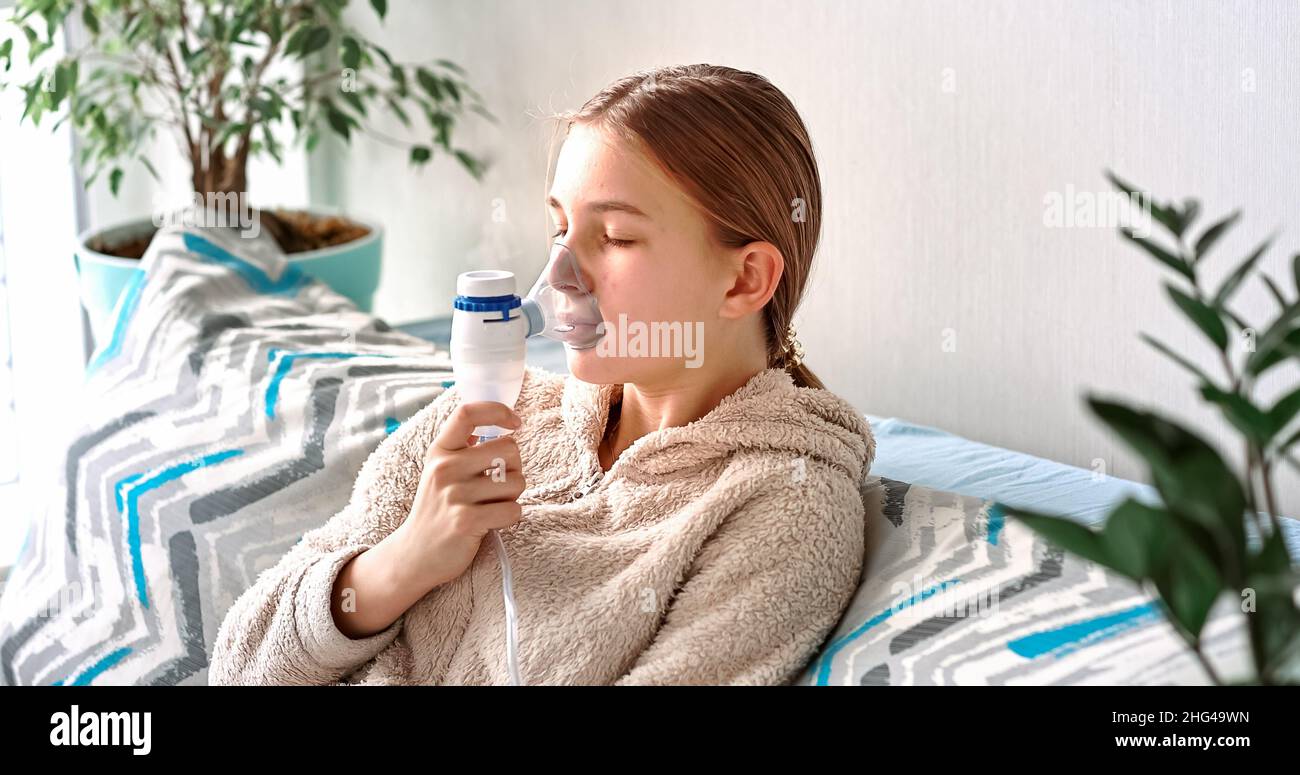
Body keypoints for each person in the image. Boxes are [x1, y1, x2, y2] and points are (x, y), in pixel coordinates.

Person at [209, 64, 875, 686]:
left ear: (744, 277)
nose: (558, 275)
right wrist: (404, 560)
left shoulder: (785, 504)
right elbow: (240, 662)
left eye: (613, 235)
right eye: (560, 227)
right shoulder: (490, 419)